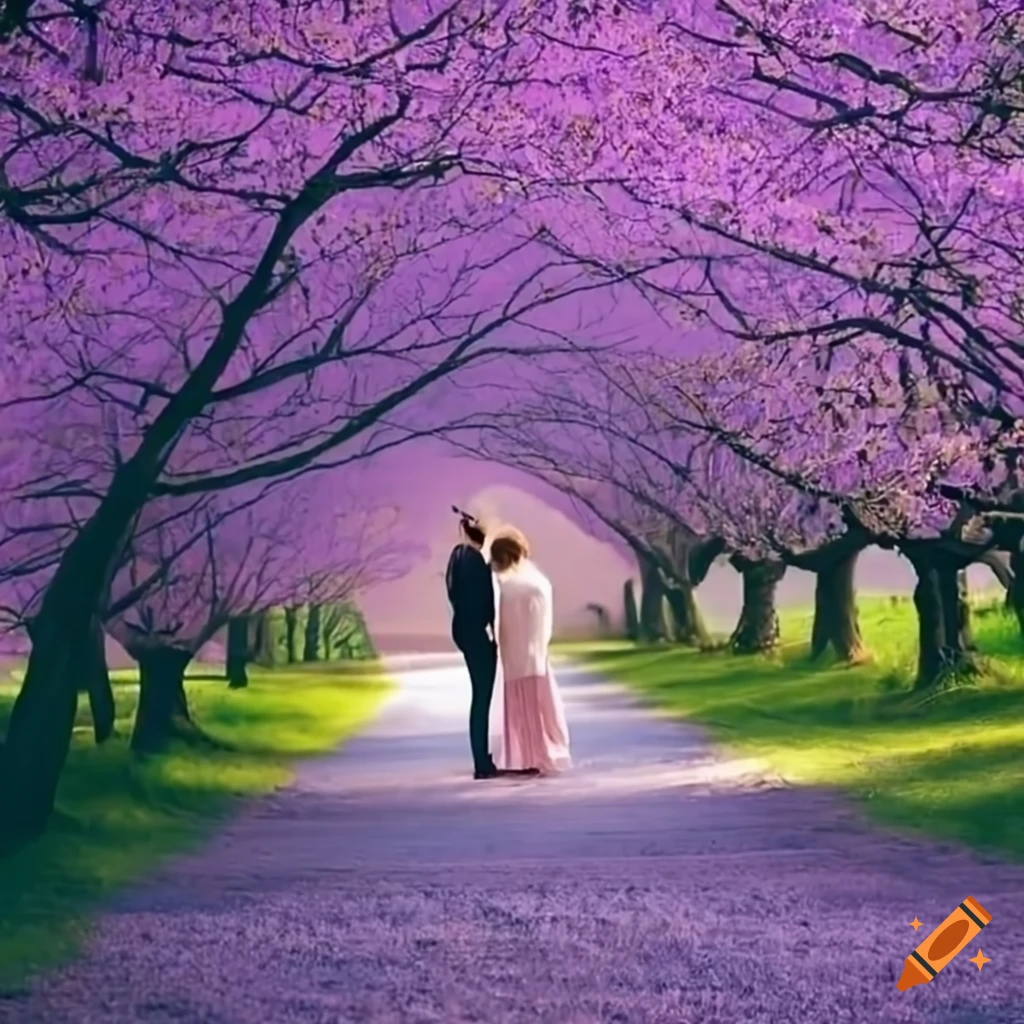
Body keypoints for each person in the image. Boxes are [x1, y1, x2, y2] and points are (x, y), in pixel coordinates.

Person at [490, 526, 571, 775]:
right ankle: (537, 751)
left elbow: (507, 625)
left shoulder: (514, 587)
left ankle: (531, 753)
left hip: (519, 657)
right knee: (538, 705)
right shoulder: (537, 582)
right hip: (535, 655)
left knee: (526, 706)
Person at [445, 507, 499, 779]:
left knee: (480, 695)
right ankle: (481, 761)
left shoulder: (456, 558)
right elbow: (488, 604)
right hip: (477, 633)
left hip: (461, 630)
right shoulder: (477, 561)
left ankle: (481, 755)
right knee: (482, 697)